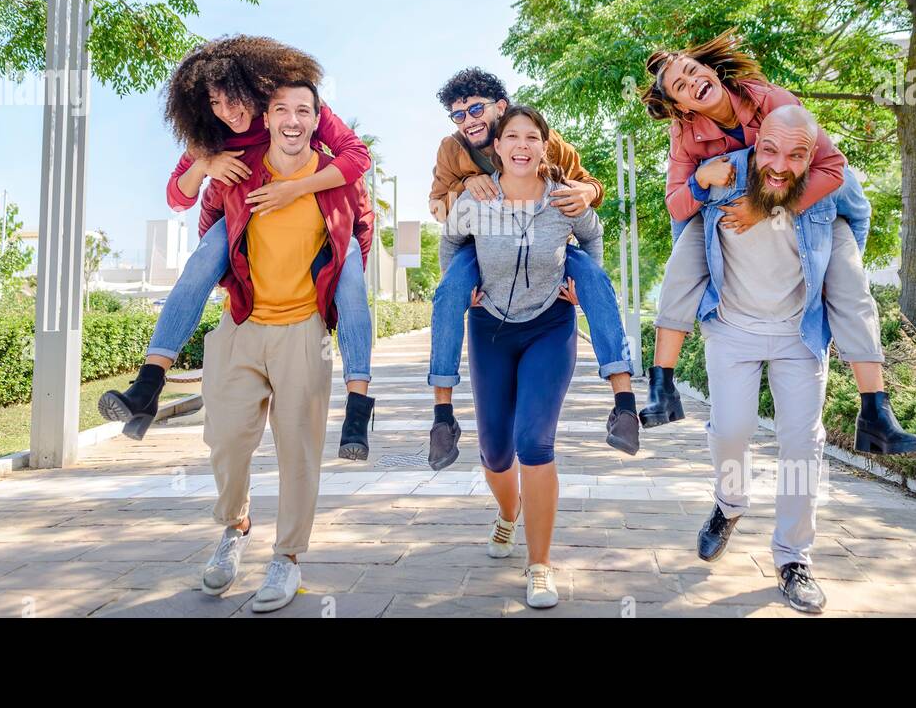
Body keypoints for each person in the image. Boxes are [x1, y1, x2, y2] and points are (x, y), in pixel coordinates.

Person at [639, 30, 916, 456]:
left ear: (710, 71)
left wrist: (765, 210)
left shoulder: (770, 99)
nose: (693, 80)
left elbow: (830, 167)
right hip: (733, 202)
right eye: (681, 85)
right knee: (684, 253)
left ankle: (875, 411)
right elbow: (677, 205)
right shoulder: (685, 134)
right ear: (681, 105)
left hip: (804, 192)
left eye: (694, 70)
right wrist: (700, 178)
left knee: (848, 279)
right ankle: (662, 384)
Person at [97, 36, 380, 461]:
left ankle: (358, 409)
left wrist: (293, 189)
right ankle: (148, 386)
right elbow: (178, 197)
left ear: (254, 93)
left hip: (317, 213)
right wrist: (204, 164)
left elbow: (357, 156)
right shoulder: (209, 135)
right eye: (215, 102)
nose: (228, 113)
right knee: (197, 268)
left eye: (235, 100)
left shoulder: (288, 109)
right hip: (243, 219)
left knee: (352, 281)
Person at [690, 105, 876, 614]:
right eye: (770, 149)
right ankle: (729, 505)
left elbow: (858, 220)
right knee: (731, 430)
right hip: (732, 328)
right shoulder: (724, 175)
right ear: (757, 142)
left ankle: (794, 558)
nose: (779, 164)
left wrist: (829, 277)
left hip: (799, 332)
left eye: (797, 155)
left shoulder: (831, 182)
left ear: (813, 155)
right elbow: (683, 214)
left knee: (801, 445)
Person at [196, 80, 370, 612]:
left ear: (317, 119)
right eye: (281, 110)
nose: (292, 120)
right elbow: (208, 225)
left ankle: (287, 558)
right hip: (242, 326)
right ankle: (235, 525)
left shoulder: (333, 179)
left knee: (298, 450)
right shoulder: (240, 168)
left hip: (303, 332)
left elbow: (356, 239)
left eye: (303, 111)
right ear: (265, 119)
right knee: (225, 438)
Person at [427, 68, 639, 468]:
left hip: (548, 237)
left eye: (476, 109)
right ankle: (442, 418)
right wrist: (467, 186)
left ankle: (624, 403)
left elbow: (589, 183)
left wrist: (586, 193)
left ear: (500, 108)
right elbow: (438, 208)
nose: (468, 120)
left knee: (594, 278)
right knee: (449, 291)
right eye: (458, 115)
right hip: (482, 247)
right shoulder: (451, 149)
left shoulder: (539, 136)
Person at [439, 105, 605, 609]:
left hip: (550, 326)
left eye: (532, 137)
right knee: (494, 451)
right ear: (498, 146)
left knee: (533, 441)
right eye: (512, 136)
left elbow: (593, 237)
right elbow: (450, 239)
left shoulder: (564, 200)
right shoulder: (475, 198)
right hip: (489, 328)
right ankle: (507, 514)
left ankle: (539, 565)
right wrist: (460, 286)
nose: (522, 145)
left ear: (544, 146)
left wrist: (581, 286)